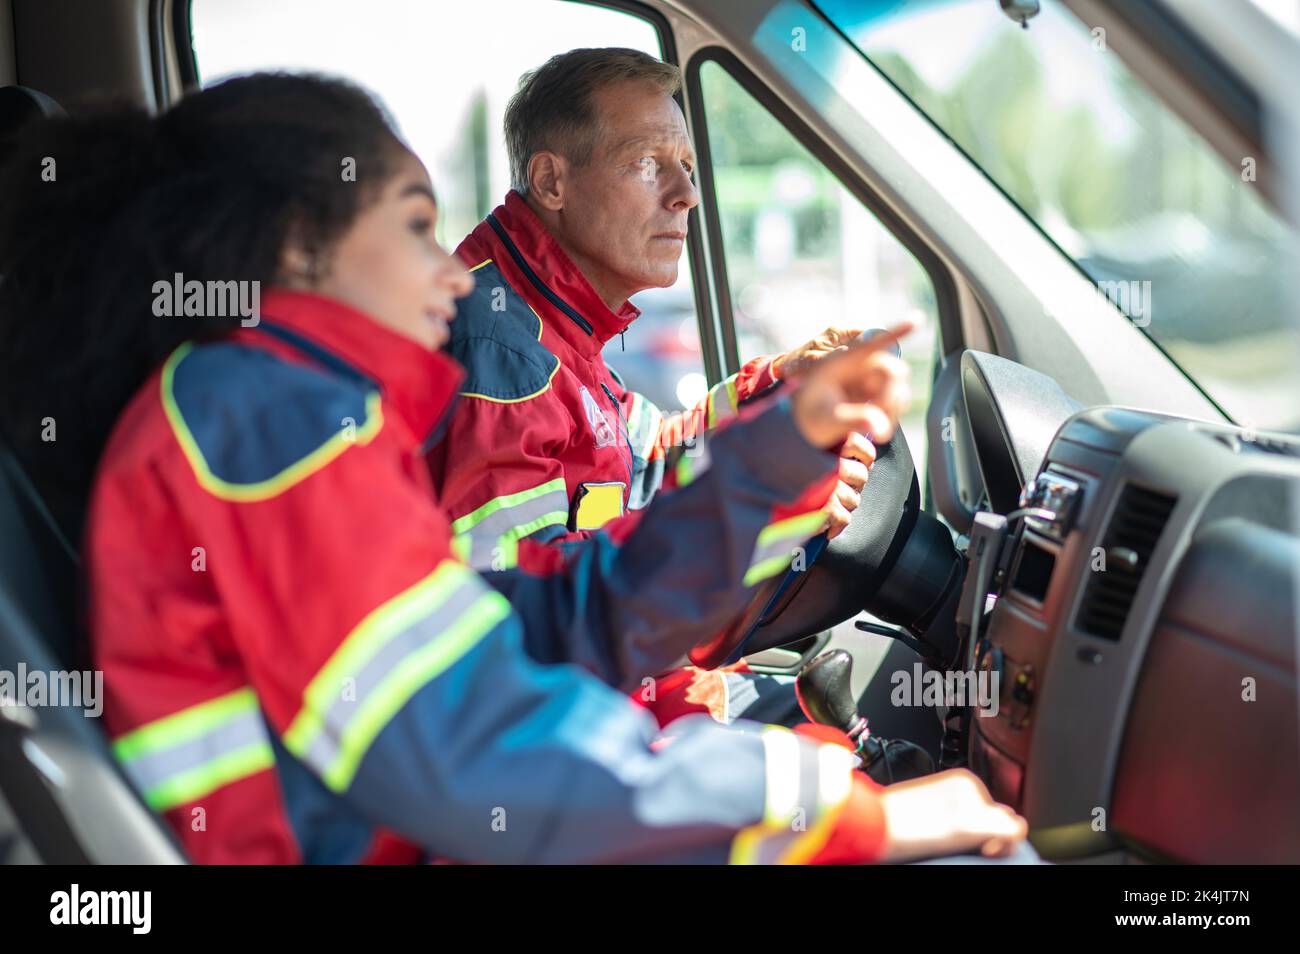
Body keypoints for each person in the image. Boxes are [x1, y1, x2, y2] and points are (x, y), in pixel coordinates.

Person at [0, 71, 1026, 864]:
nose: (455, 270)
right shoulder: (264, 422)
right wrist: (843, 818)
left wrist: (762, 464)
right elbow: (465, 752)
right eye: (413, 226)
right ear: (302, 247)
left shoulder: (280, 414)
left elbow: (542, 618)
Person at [427, 47, 910, 739]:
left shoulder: (549, 318)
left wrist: (780, 390)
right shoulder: (502, 347)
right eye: (649, 162)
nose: (687, 193)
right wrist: (770, 511)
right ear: (551, 181)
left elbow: (645, 456)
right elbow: (524, 623)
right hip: (572, 742)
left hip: (625, 700)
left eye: (686, 165)